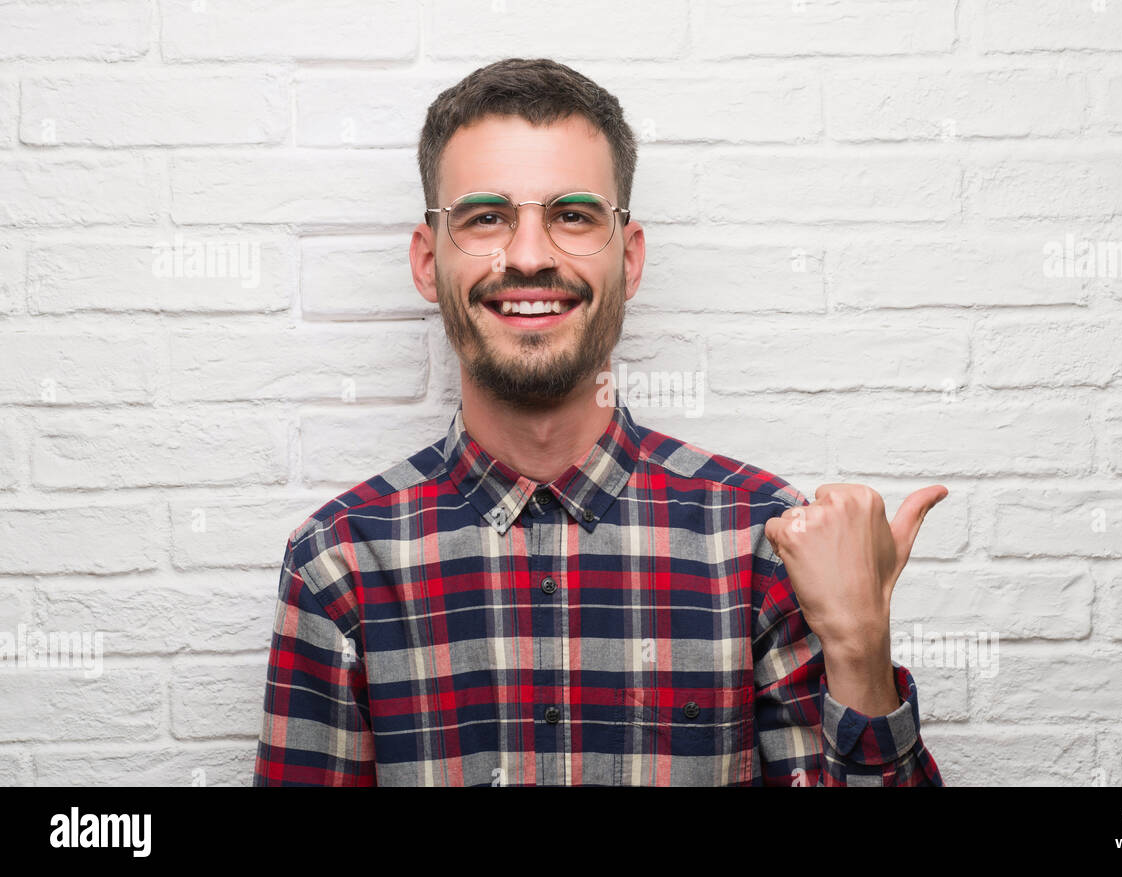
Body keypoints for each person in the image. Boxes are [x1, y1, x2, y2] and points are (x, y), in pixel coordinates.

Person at [253, 57, 946, 786]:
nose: (527, 256)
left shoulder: (765, 546)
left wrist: (860, 644)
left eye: (573, 216)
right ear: (428, 261)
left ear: (630, 257)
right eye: (486, 217)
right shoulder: (338, 566)